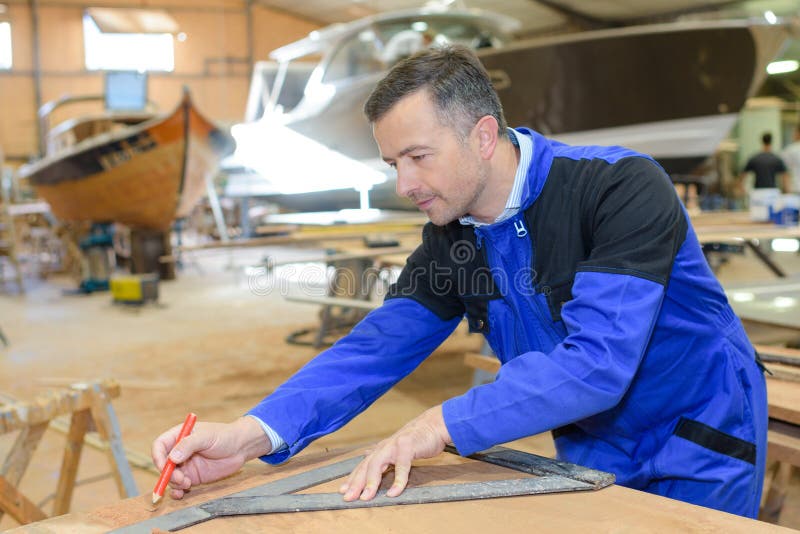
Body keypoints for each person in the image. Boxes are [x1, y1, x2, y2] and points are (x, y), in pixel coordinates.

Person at [153, 45, 767, 518]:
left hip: (699, 431)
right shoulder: (456, 236)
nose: (405, 184)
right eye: (394, 164)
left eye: (419, 156)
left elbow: (597, 363)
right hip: (593, 441)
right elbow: (375, 348)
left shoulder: (618, 189)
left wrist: (435, 425)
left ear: (482, 134)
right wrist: (250, 434)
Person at [780, 125, 800, 194]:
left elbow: (784, 171)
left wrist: (786, 189)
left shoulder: (790, 149)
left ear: (797, 133)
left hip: (795, 188)